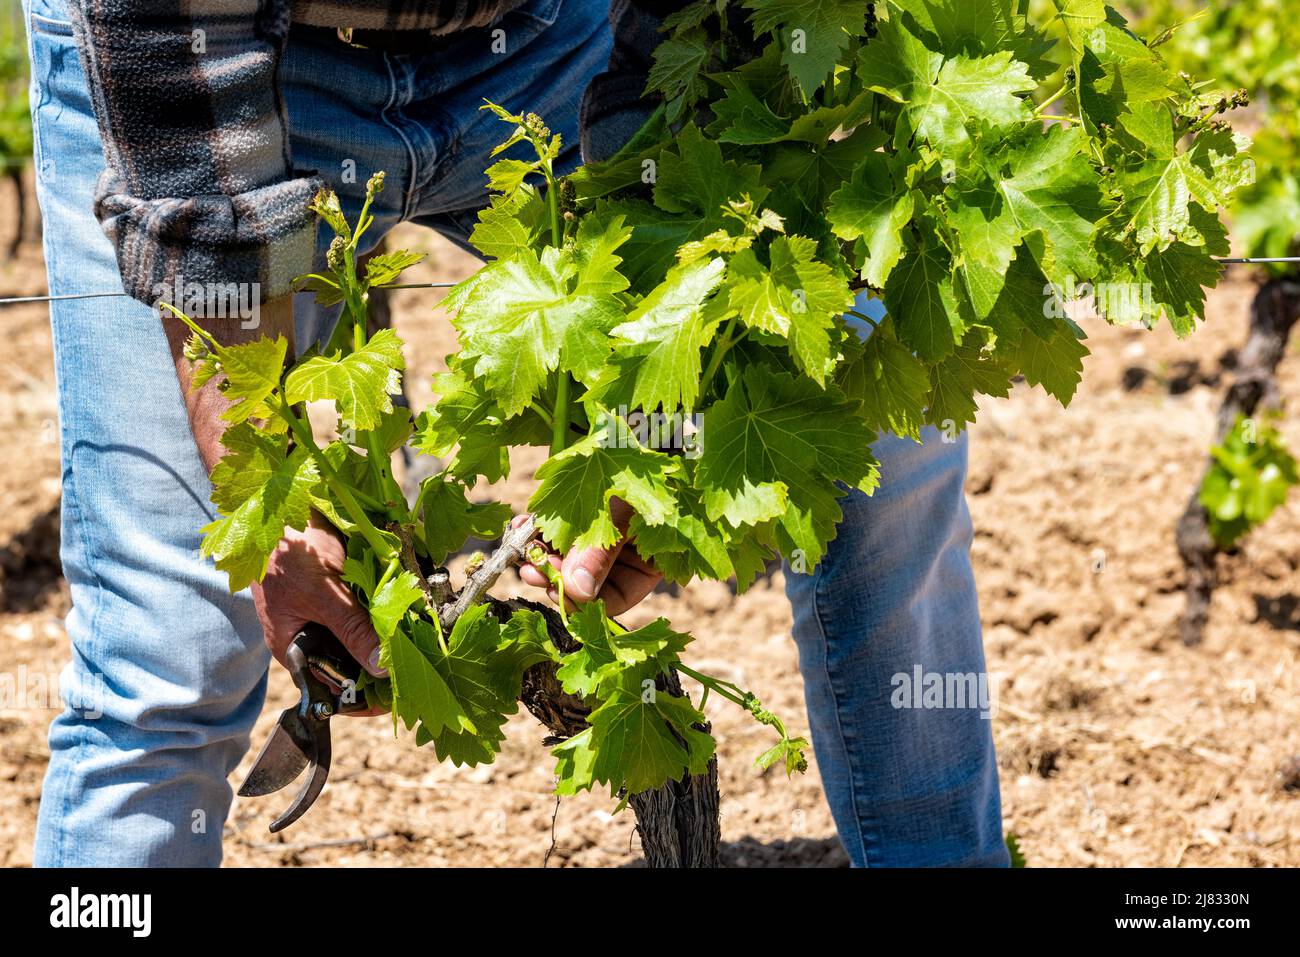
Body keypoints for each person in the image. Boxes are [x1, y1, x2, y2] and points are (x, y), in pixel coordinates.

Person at [24, 0, 1008, 867]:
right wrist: (259, 483)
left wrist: (650, 425)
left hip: (548, 42)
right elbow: (168, 31)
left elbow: (707, 35)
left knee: (877, 435)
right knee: (174, 634)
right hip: (194, 69)